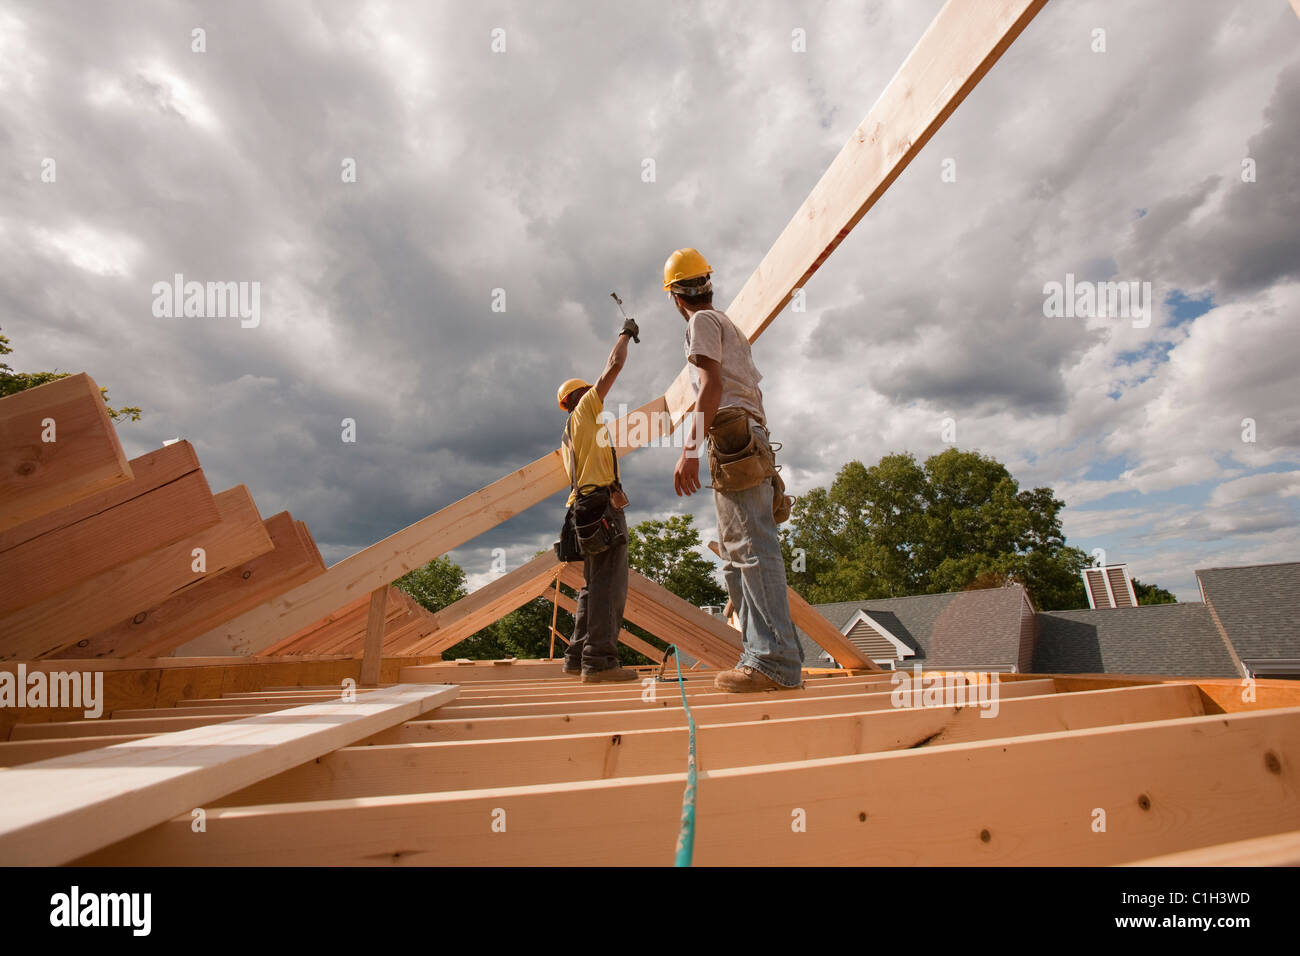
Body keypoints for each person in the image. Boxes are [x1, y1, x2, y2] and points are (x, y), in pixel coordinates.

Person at [663, 247, 805, 692]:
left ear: (675, 297)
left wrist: (687, 449)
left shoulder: (700, 323)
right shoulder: (727, 324)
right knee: (734, 556)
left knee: (751, 548)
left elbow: (712, 384)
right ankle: (760, 653)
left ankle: (774, 662)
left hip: (732, 436)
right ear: (707, 284)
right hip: (742, 438)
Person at [556, 314, 641, 682]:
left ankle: (577, 656)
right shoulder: (586, 412)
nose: (598, 398)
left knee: (593, 585)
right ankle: (600, 662)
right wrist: (625, 332)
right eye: (591, 392)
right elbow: (614, 365)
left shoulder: (568, 437)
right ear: (580, 397)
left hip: (582, 510)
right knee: (609, 585)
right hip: (600, 509)